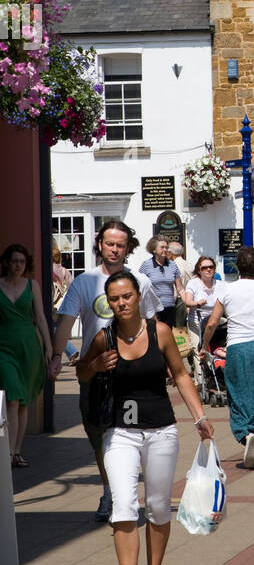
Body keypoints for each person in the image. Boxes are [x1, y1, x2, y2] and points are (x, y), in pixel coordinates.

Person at [76, 270, 214, 565]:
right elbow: (81, 373)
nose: (121, 303)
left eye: (126, 296)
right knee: (123, 504)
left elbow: (180, 374)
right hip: (119, 433)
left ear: (138, 297)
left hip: (161, 430)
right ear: (108, 304)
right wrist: (94, 364)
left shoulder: (161, 332)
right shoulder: (103, 338)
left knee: (156, 505)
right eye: (114, 299)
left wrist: (200, 417)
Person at [51, 219, 160, 521]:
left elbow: (154, 324)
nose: (114, 249)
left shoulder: (140, 281)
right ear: (100, 244)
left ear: (128, 248)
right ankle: (111, 489)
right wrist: (57, 355)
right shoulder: (84, 282)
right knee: (99, 435)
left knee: (132, 434)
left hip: (134, 373)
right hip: (95, 371)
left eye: (120, 245)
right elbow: (66, 323)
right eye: (109, 243)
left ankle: (123, 494)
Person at [201, 245, 254, 469]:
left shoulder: (227, 291)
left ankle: (245, 433)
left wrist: (205, 344)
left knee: (236, 393)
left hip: (237, 347)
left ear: (238, 267)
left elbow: (213, 321)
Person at [0, 244, 52, 468]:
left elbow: (40, 317)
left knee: (22, 403)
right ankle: (9, 452)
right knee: (12, 397)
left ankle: (16, 451)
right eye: (14, 261)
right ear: (7, 263)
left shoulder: (33, 285)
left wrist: (49, 346)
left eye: (22, 261)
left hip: (28, 348)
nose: (18, 265)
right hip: (4, 347)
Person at [139, 237, 185, 327]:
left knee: (167, 335)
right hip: (153, 309)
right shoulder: (146, 265)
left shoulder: (172, 265)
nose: (165, 250)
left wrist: (188, 303)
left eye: (166, 247)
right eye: (162, 247)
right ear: (154, 250)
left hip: (169, 308)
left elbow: (180, 288)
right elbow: (139, 286)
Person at [51, 243, 79, 365]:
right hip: (62, 303)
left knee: (53, 329)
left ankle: (71, 351)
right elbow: (72, 285)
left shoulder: (48, 269)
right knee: (56, 328)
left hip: (52, 304)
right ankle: (71, 352)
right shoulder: (64, 270)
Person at [168, 241, 193, 329]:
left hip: (178, 301)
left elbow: (175, 288)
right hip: (189, 299)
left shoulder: (173, 266)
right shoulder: (189, 264)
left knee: (178, 330)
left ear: (170, 253)